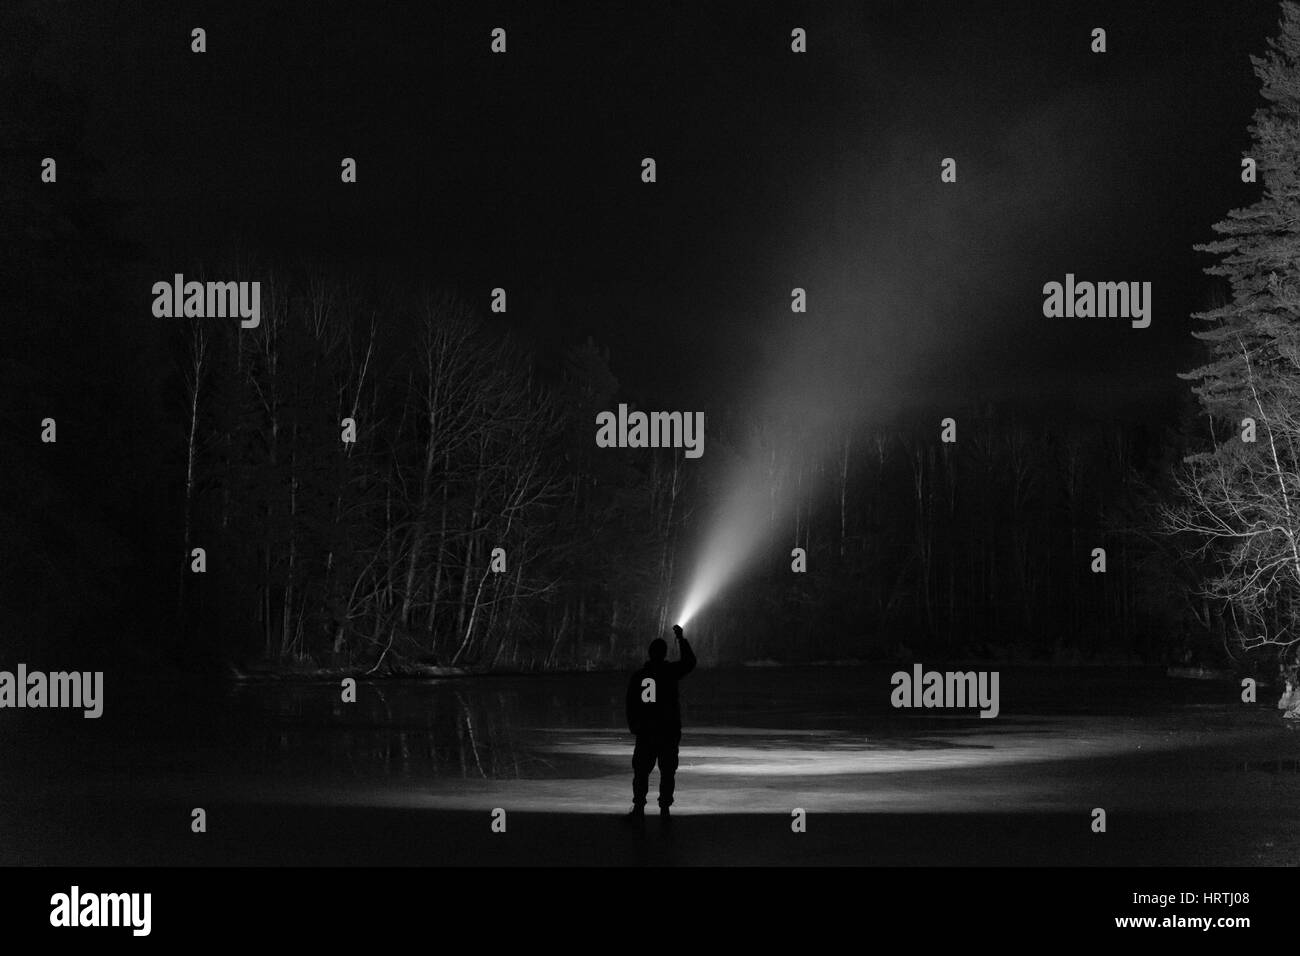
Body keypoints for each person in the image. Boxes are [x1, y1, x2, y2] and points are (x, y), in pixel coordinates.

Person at [625, 623, 697, 819]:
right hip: (667, 731)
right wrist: (681, 639)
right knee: (667, 772)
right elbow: (690, 662)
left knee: (641, 772)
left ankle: (639, 807)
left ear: (650, 653)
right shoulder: (670, 672)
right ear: (664, 654)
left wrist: (634, 725)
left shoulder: (640, 676)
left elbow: (631, 703)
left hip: (646, 731)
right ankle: (664, 808)